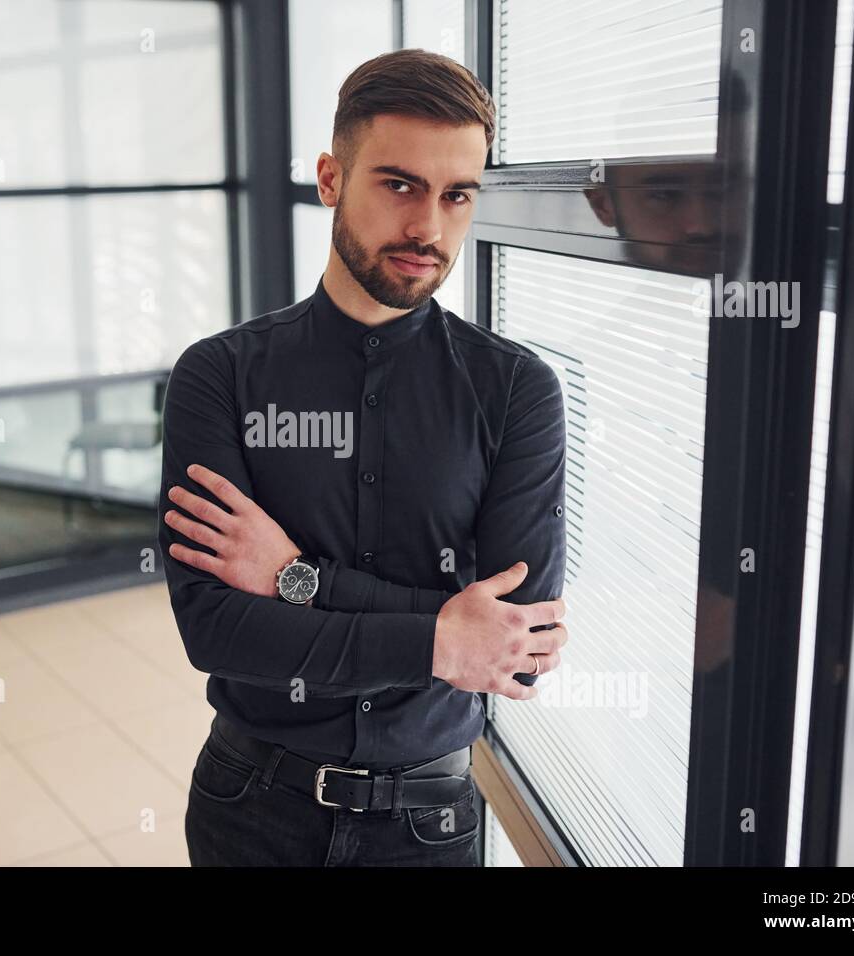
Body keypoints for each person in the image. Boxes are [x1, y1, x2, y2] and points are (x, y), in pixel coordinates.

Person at [158, 48, 569, 867]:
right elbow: (215, 629)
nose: (429, 227)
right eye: (400, 185)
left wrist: (296, 580)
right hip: (251, 808)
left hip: (431, 828)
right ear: (330, 178)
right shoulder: (220, 374)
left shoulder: (518, 391)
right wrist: (441, 636)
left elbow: (512, 654)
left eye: (458, 195)